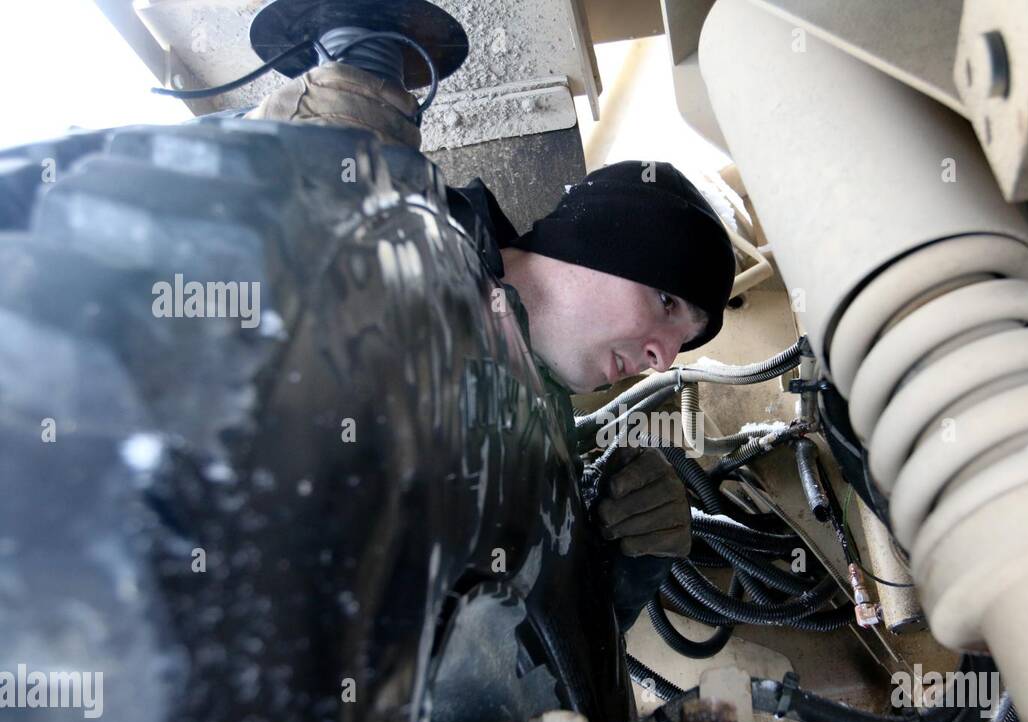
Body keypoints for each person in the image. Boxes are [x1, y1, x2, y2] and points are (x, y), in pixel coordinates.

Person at [251, 63, 738, 625]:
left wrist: (629, 562)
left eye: (681, 345)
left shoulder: (551, 437)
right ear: (597, 246)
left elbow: (542, 666)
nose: (664, 360)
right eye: (667, 304)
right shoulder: (414, 237)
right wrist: (276, 170)